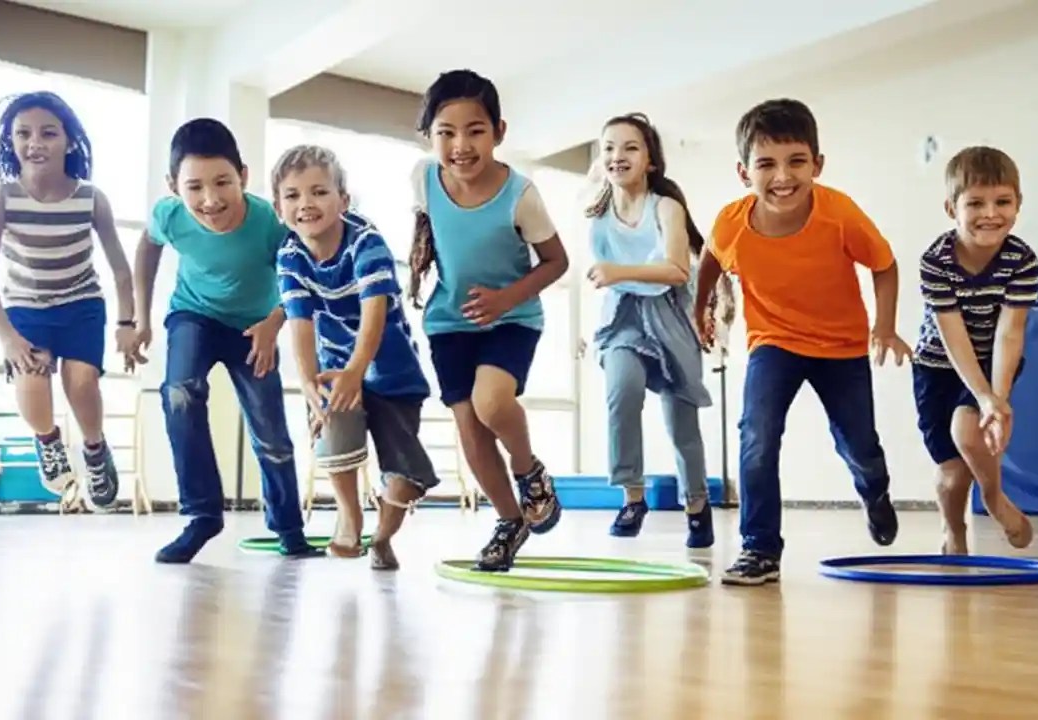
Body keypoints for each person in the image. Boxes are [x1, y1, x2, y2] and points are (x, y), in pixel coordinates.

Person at [693, 98, 911, 586]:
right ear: (743, 171)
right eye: (765, 164)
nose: (782, 176)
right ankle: (759, 548)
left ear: (817, 164)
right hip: (775, 341)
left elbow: (884, 264)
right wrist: (700, 307)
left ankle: (874, 492)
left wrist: (885, 326)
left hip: (842, 346)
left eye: (796, 161)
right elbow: (710, 258)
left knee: (860, 445)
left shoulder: (838, 213)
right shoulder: (731, 220)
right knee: (758, 433)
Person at [121, 118, 320, 563]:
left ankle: (289, 527)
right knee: (179, 392)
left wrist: (274, 323)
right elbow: (147, 248)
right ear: (173, 185)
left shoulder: (270, 222)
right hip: (194, 314)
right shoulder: (169, 215)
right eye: (194, 187)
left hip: (254, 327)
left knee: (270, 433)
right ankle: (202, 516)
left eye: (222, 183)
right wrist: (139, 317)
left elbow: (301, 277)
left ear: (244, 177)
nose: (210, 200)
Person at [408, 69, 570, 572]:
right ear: (430, 135)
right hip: (448, 322)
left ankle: (530, 472)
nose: (461, 145)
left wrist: (505, 299)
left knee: (491, 402)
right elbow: (426, 222)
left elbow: (556, 262)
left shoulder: (521, 194)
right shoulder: (422, 177)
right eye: (446, 132)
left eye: (475, 130)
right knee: (470, 431)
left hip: (512, 317)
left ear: (499, 132)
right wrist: (417, 265)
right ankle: (509, 521)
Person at [273, 143, 440, 570]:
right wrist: (310, 384)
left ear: (343, 201)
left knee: (402, 478)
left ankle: (382, 539)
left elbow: (374, 316)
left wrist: (355, 371)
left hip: (393, 372)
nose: (306, 204)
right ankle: (349, 515)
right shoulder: (290, 257)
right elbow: (299, 322)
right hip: (336, 365)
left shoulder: (366, 243)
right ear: (279, 208)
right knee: (335, 428)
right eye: (292, 196)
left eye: (319, 192)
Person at [0, 91, 133, 510]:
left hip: (81, 303)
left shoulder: (90, 197)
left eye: (48, 133)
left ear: (69, 141)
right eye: (23, 134)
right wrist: (7, 338)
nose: (35, 143)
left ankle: (95, 450)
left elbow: (119, 268)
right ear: (11, 142)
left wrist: (127, 324)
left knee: (81, 381)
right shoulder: (0, 199)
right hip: (24, 306)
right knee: (32, 377)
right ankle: (48, 442)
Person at [583, 113, 714, 548]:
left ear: (651, 161)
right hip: (623, 318)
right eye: (608, 148)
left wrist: (617, 271)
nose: (617, 156)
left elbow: (677, 269)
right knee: (622, 392)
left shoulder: (666, 207)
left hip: (670, 315)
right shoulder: (598, 210)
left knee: (681, 426)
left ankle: (696, 505)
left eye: (630, 147)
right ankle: (632, 497)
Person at [913, 146, 1038, 555]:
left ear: (1018, 204)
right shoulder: (936, 261)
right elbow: (953, 335)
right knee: (951, 475)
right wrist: (982, 395)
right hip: (938, 363)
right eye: (975, 203)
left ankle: (994, 499)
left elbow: (1009, 333)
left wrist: (996, 401)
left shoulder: (1021, 261)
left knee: (968, 432)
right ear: (951, 208)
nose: (990, 213)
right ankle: (955, 530)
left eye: (1003, 201)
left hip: (992, 357)